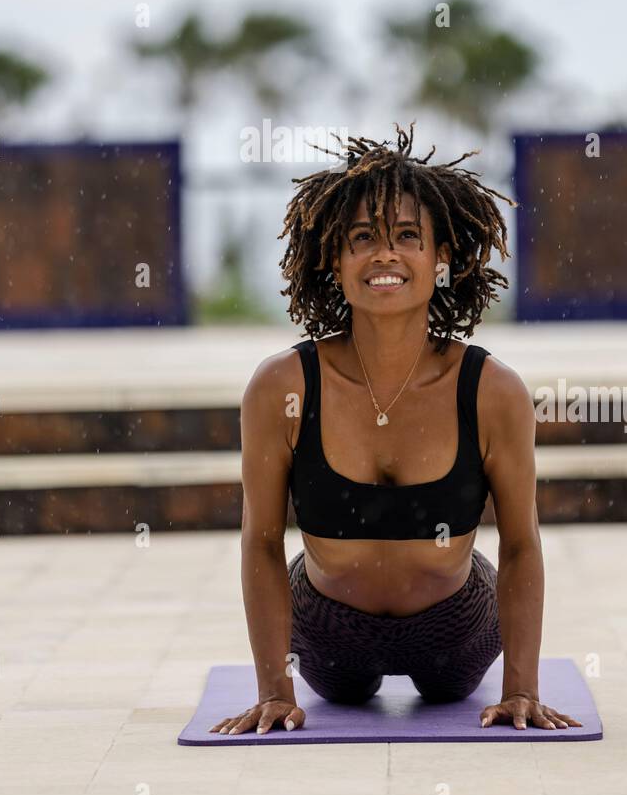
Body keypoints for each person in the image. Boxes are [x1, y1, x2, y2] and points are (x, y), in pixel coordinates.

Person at [211, 122, 581, 735]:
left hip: (458, 625)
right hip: (325, 628)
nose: (386, 255)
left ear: (442, 256)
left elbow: (519, 545)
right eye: (363, 238)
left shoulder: (493, 391)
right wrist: (275, 690)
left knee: (446, 691)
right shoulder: (282, 387)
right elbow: (260, 541)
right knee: (345, 693)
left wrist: (520, 688)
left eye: (408, 236)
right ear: (334, 256)